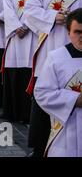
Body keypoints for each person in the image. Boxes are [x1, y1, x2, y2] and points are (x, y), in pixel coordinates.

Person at [24, 0, 82, 157]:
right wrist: (52, 17)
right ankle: (41, 149)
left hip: (80, 53)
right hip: (51, 49)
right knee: (46, 97)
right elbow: (29, 11)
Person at [1, 0, 41, 124]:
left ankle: (28, 114)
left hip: (32, 33)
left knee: (30, 71)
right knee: (14, 73)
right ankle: (13, 111)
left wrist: (26, 25)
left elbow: (42, 5)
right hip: (16, 34)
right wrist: (16, 25)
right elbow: (7, 5)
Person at [34, 8, 82, 157]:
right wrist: (74, 99)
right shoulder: (56, 58)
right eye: (77, 32)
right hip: (66, 133)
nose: (81, 37)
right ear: (68, 33)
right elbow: (42, 93)